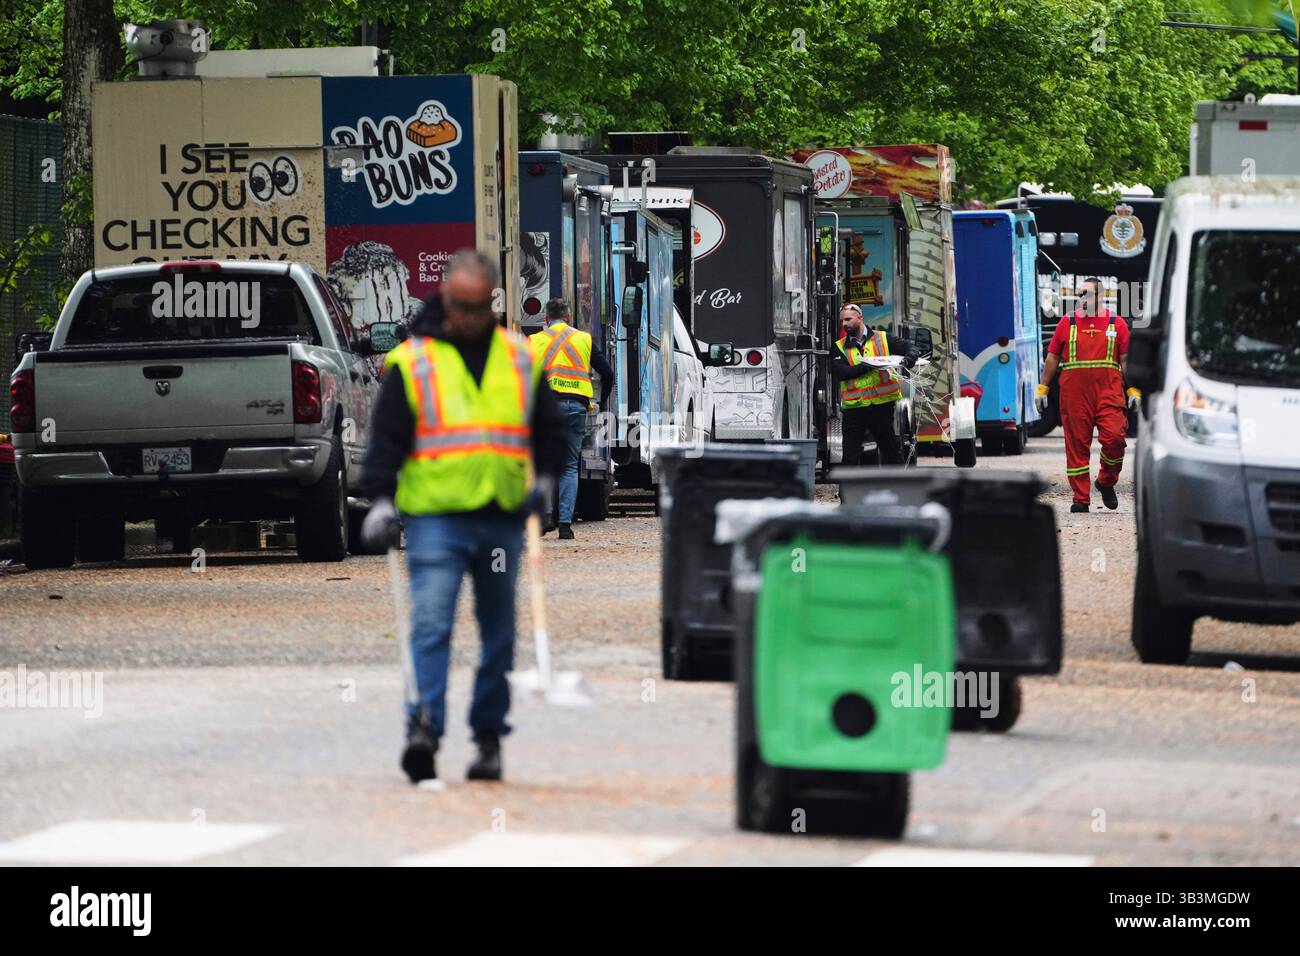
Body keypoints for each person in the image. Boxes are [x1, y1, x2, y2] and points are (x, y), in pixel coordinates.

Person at [360, 250, 565, 785]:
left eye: (478, 308)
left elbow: (549, 430)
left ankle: (489, 736)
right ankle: (423, 729)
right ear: (447, 299)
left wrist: (544, 480)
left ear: (492, 302)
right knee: (431, 622)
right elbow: (386, 439)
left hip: (501, 514)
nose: (469, 318)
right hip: (435, 516)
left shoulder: (519, 357)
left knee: (498, 631)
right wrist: (380, 500)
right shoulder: (413, 361)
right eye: (460, 306)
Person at [1037, 277, 1136, 513]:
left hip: (1109, 394)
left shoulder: (1117, 324)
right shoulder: (1067, 322)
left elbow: (1125, 360)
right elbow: (1052, 357)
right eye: (1079, 294)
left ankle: (1106, 481)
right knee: (1077, 447)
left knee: (1114, 439)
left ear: (1101, 297)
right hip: (1074, 396)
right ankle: (1080, 498)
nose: (1082, 299)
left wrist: (1133, 389)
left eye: (1087, 294)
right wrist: (1043, 388)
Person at [528, 299, 614, 540]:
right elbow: (606, 372)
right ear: (569, 317)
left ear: (546, 319)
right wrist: (599, 402)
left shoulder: (534, 340)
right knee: (568, 465)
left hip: (545, 409)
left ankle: (545, 517)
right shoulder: (583, 339)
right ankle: (565, 525)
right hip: (576, 407)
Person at [832, 303, 917, 466]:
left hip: (881, 405)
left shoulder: (882, 339)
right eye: (842, 321)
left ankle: (901, 489)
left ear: (860, 318)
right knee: (849, 457)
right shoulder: (839, 346)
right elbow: (841, 373)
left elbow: (910, 346)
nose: (844, 324)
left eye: (848, 319)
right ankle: (847, 492)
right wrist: (870, 365)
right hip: (854, 409)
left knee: (891, 452)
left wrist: (910, 358)